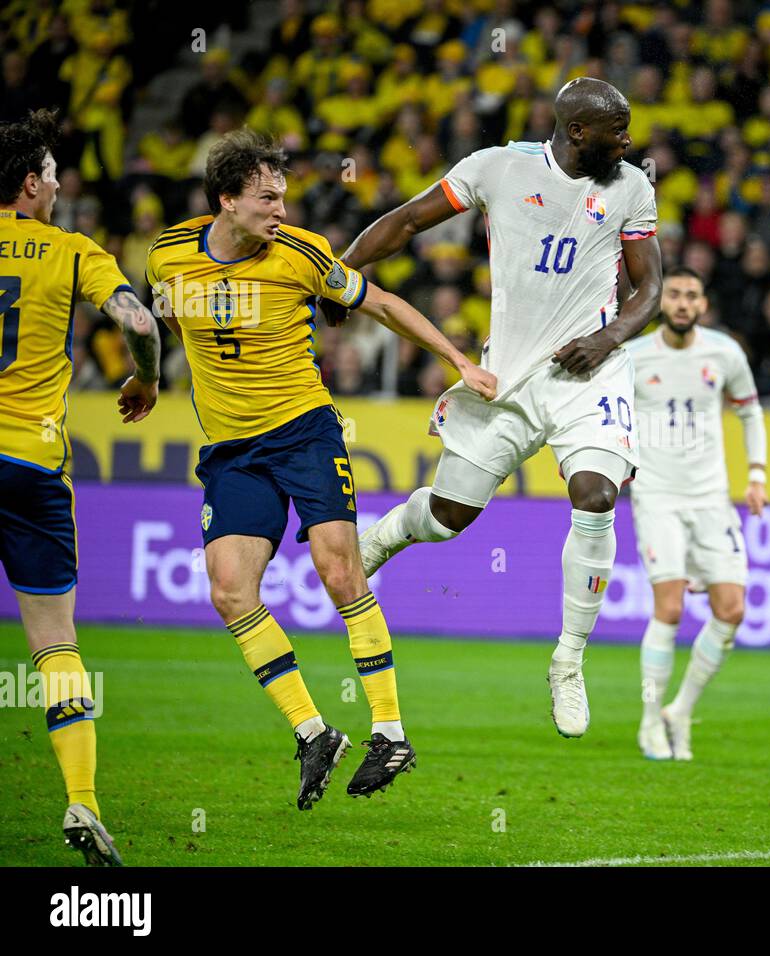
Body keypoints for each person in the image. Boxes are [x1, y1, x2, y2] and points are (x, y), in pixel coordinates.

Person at [146, 129, 495, 810]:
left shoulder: (303, 254)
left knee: (339, 571)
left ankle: (390, 732)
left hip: (305, 433)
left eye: (283, 196)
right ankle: (314, 733)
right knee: (229, 591)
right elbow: (158, 319)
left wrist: (458, 361)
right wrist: (143, 377)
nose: (280, 209)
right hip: (231, 450)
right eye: (266, 198)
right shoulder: (166, 255)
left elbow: (384, 304)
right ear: (226, 199)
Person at [326, 78, 662, 739]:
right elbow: (408, 219)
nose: (628, 141)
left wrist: (606, 338)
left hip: (588, 374)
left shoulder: (630, 188)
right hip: (506, 375)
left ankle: (569, 659)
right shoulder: (498, 168)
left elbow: (649, 289)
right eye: (615, 131)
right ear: (575, 134)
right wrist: (343, 272)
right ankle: (392, 533)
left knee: (595, 495)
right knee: (451, 517)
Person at [0, 109, 161, 864]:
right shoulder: (70, 252)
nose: (62, 188)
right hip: (31, 465)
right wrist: (146, 378)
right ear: (30, 185)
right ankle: (83, 804)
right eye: (56, 176)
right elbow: (143, 324)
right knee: (56, 643)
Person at [623, 267, 767, 760]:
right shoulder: (633, 357)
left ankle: (679, 710)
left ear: (703, 305)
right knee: (670, 608)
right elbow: (609, 413)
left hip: (711, 499)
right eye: (676, 295)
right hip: (657, 496)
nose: (683, 303)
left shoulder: (724, 353)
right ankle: (648, 722)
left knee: (732, 609)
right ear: (662, 302)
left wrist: (758, 475)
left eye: (692, 296)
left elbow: (750, 410)